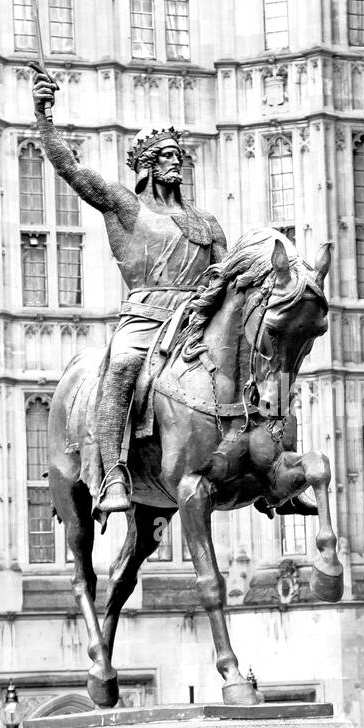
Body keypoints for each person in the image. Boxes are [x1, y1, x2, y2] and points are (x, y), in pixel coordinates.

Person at [31, 68, 227, 514]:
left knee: (248, 364)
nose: (175, 162)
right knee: (120, 368)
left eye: (178, 155)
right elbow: (71, 168)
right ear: (147, 165)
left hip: (193, 323)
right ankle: (114, 473)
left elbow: (223, 276)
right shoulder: (125, 206)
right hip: (145, 320)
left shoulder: (207, 222)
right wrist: (43, 116)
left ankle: (266, 468)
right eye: (165, 156)